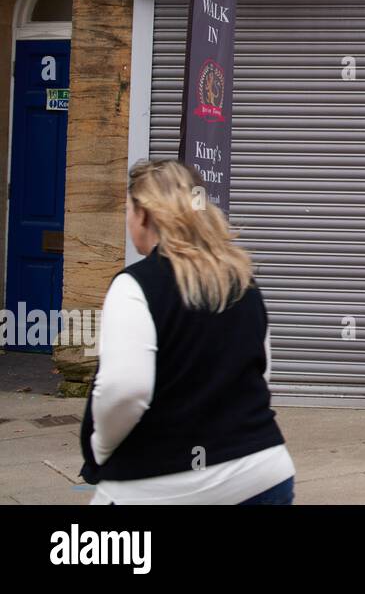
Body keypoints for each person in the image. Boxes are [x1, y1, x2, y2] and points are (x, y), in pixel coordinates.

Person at [78, 158, 295, 504]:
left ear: (145, 214)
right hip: (261, 473)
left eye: (129, 208)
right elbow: (261, 372)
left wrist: (100, 447)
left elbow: (124, 390)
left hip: (157, 484)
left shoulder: (134, 286)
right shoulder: (242, 279)